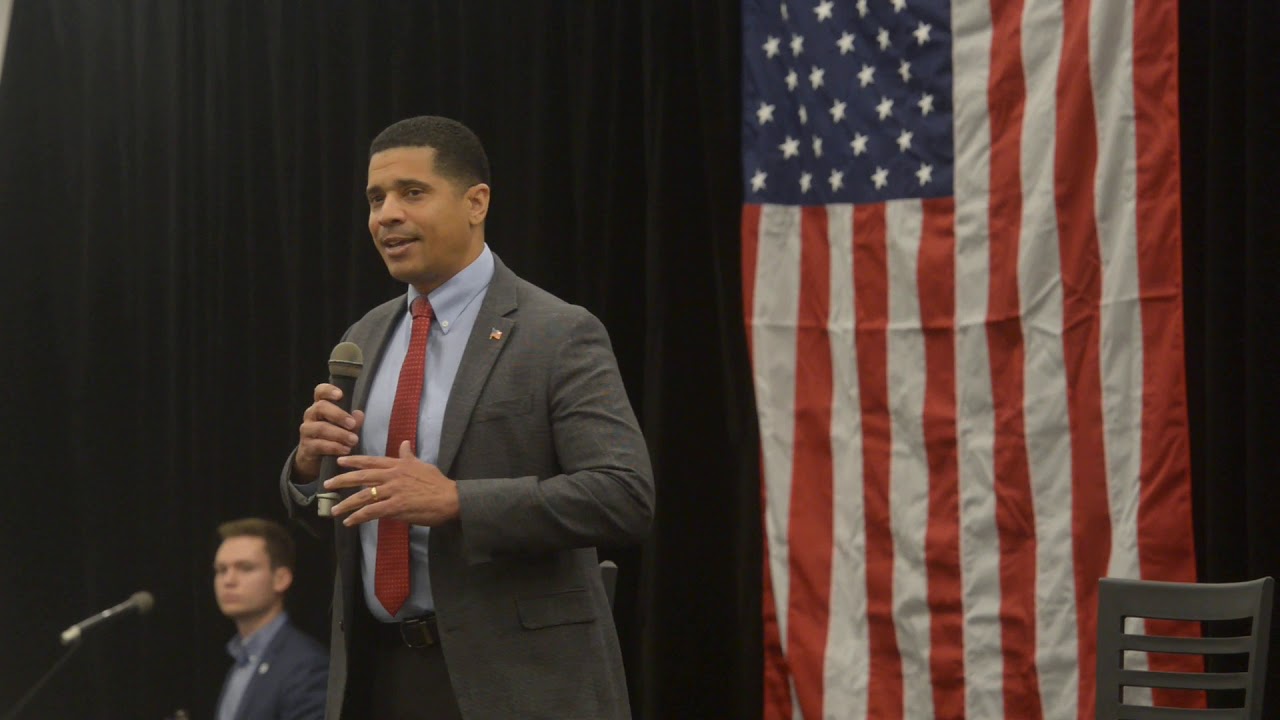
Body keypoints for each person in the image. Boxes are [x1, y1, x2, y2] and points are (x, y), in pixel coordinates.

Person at [279, 115, 654, 720]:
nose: (386, 215)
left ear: (476, 201)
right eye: (376, 199)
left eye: (412, 193)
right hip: (378, 680)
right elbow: (337, 511)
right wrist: (305, 469)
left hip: (516, 685)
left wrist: (459, 501)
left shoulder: (557, 333)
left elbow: (624, 495)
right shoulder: (365, 337)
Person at [212, 518, 328, 720]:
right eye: (221, 570)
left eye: (245, 568)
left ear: (280, 579)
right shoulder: (242, 659)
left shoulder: (307, 665)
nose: (228, 580)